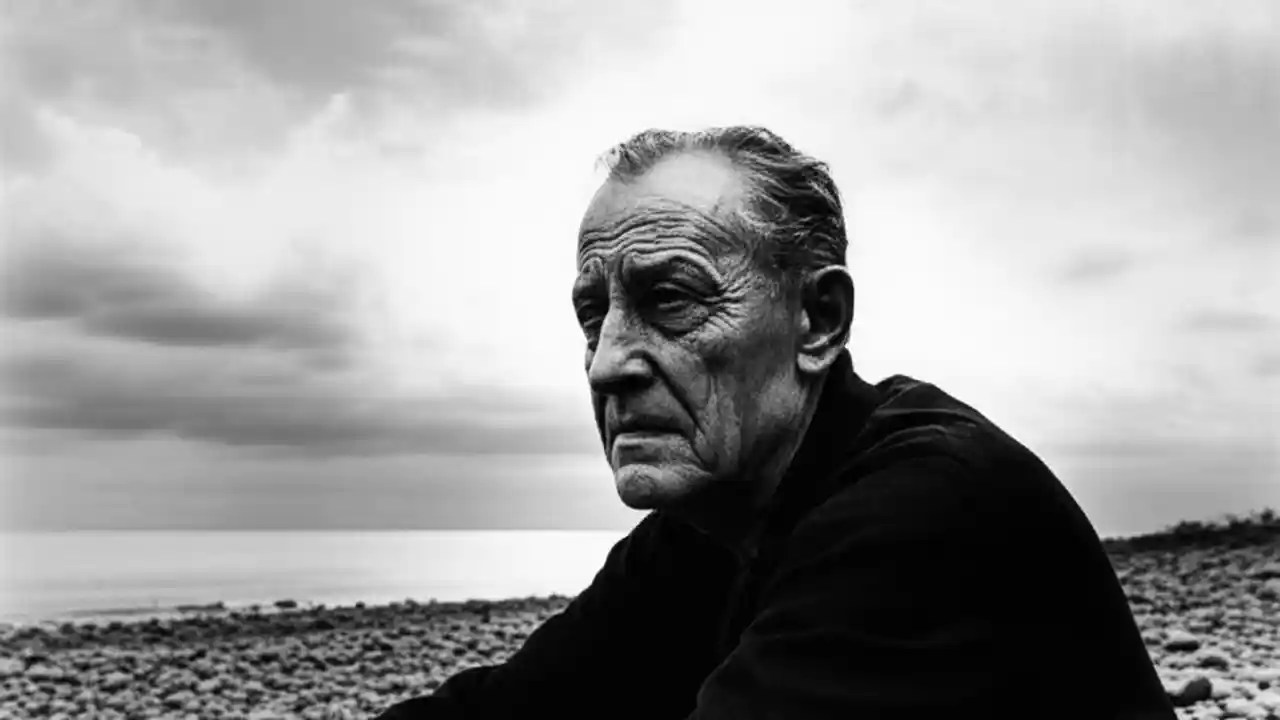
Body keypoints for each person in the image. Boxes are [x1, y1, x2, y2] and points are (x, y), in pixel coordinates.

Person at [376, 126, 1175, 719]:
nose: (606, 363)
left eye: (672, 299)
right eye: (595, 314)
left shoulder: (926, 510)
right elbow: (518, 708)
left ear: (819, 321)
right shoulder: (716, 518)